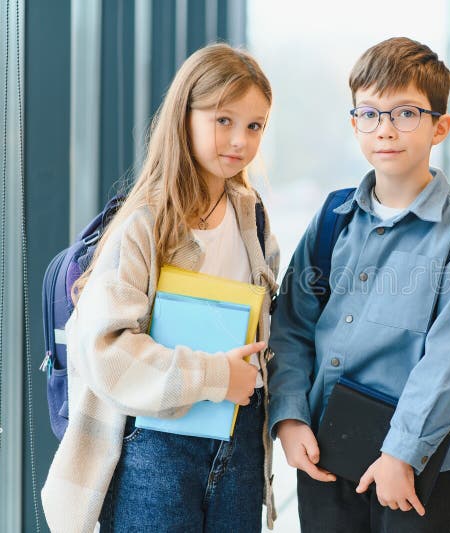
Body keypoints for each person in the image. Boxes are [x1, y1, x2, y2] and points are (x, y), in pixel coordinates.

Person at [41, 43, 280, 532]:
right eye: (223, 120)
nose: (239, 140)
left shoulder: (251, 215)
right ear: (184, 116)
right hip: (154, 448)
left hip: (238, 440)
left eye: (254, 126)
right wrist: (216, 376)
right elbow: (107, 353)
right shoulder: (144, 223)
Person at [268, 37, 450, 533]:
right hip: (326, 450)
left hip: (416, 466)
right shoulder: (332, 217)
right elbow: (291, 326)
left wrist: (402, 453)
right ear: (355, 124)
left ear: (440, 127)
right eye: (370, 114)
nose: (386, 130)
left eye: (406, 113)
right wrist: (288, 416)